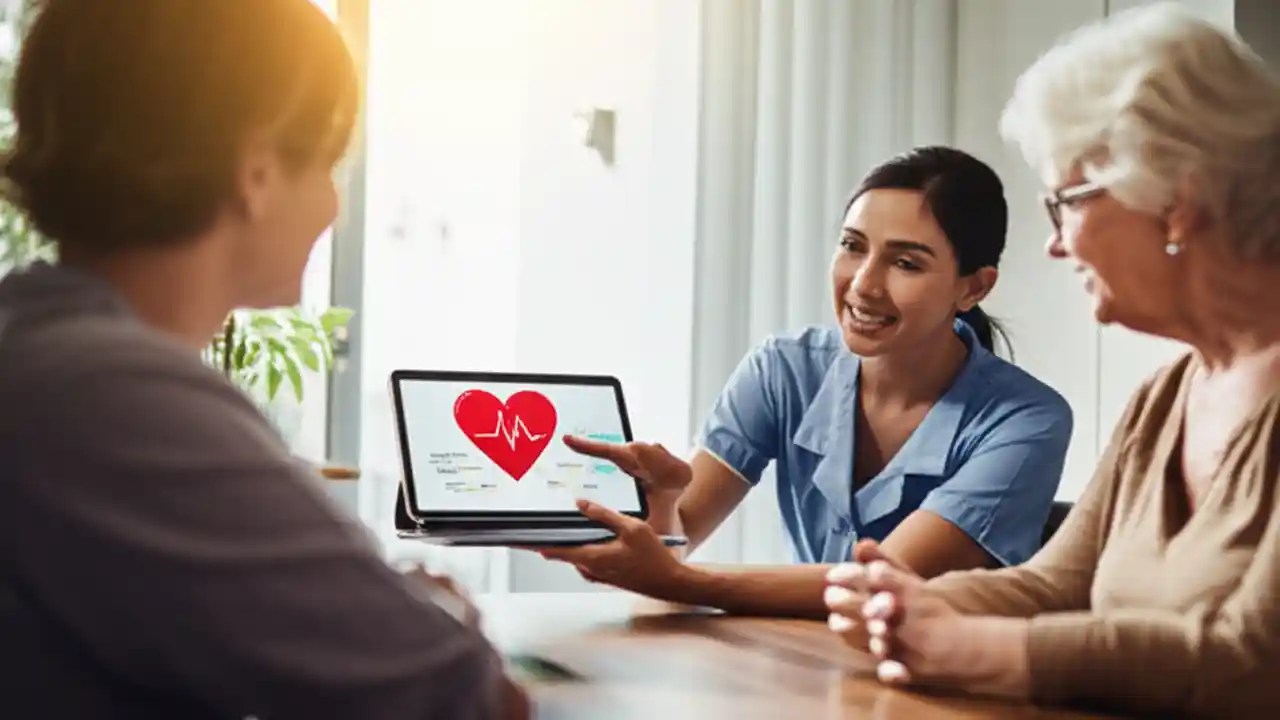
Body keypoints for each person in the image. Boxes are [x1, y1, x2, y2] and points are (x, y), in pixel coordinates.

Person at [0, 2, 526, 718]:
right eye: (327, 164)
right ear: (256, 172)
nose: (334, 205)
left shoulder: (35, 343)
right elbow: (463, 697)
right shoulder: (110, 395)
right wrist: (429, 607)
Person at [824, 4, 1280, 717]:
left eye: (1065, 201)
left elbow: (1251, 666)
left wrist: (970, 649)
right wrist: (909, 603)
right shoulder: (1166, 397)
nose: (1055, 244)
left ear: (1175, 200)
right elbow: (1056, 587)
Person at [535, 146, 1073, 617]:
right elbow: (668, 551)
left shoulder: (1027, 421)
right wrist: (666, 500)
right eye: (852, 245)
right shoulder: (784, 370)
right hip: (813, 667)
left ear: (973, 288)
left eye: (906, 263)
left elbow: (880, 583)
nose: (863, 285)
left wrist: (681, 582)